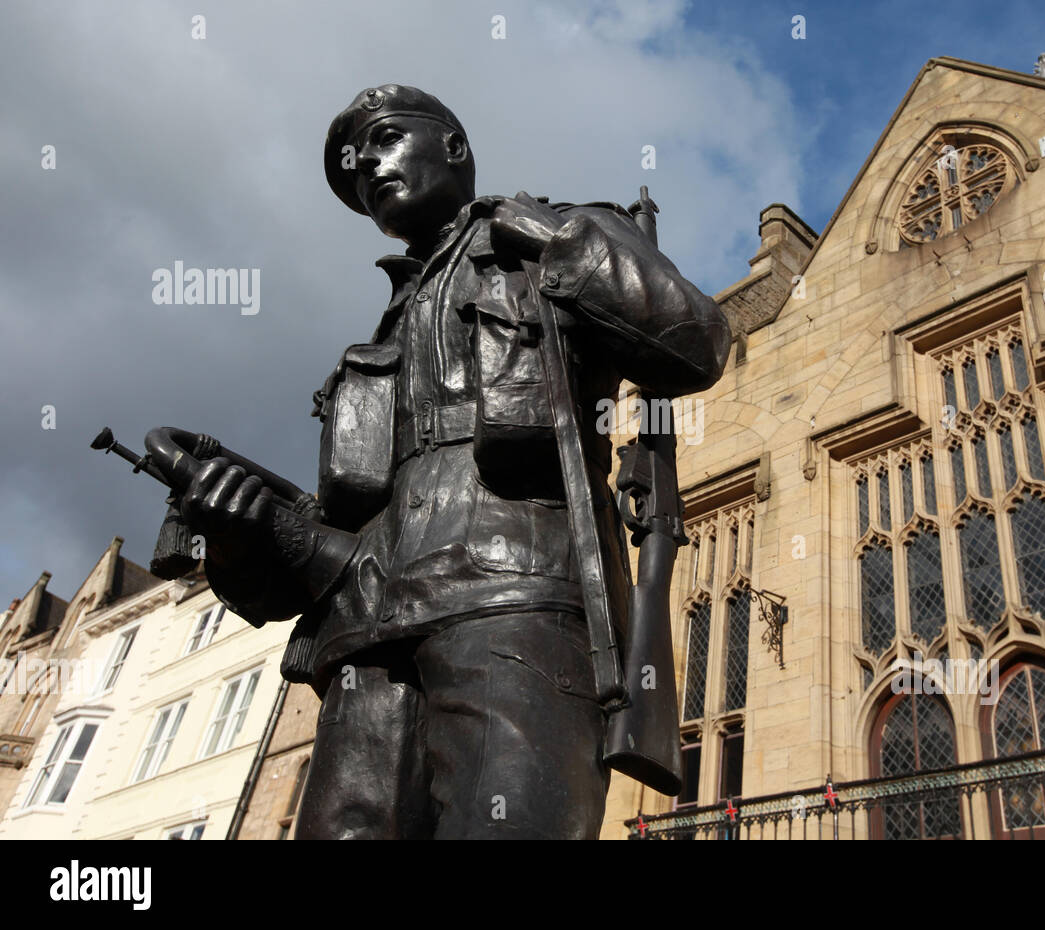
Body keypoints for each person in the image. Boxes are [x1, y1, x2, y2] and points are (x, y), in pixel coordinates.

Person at [177, 85, 730, 838]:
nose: (366, 165)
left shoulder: (561, 233)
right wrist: (242, 525)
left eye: (384, 140)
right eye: (351, 162)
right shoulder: (376, 338)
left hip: (515, 598)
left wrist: (557, 241)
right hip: (366, 627)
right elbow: (328, 540)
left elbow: (697, 344)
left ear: (454, 149)